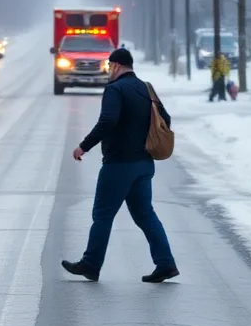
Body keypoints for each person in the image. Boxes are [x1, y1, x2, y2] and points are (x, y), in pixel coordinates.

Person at [61, 47, 179, 283]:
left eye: (108, 66)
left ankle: (91, 264)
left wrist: (84, 146)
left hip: (119, 164)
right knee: (145, 215)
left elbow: (108, 120)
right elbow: (165, 119)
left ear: (115, 65)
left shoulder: (115, 90)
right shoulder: (146, 88)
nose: (108, 71)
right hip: (144, 164)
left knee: (102, 215)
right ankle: (166, 264)